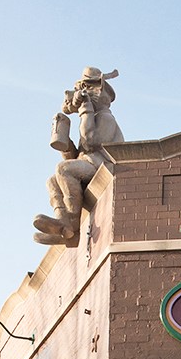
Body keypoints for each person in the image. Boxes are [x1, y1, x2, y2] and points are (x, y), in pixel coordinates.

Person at [33, 67, 124, 246]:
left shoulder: (106, 118)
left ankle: (72, 225)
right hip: (89, 164)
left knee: (63, 170)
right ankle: (63, 228)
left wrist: (85, 110)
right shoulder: (91, 116)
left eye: (89, 89)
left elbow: (90, 142)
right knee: (53, 180)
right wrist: (65, 142)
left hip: (102, 165)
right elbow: (76, 157)